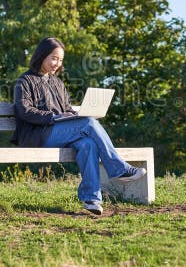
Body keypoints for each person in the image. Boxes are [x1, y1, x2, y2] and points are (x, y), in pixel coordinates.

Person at [11, 37, 147, 215]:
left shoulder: (57, 83)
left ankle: (91, 199)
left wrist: (72, 115)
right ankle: (119, 169)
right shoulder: (25, 81)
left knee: (88, 144)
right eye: (54, 58)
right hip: (38, 135)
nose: (57, 64)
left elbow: (66, 108)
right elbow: (24, 111)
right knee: (89, 123)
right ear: (42, 55)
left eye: (60, 60)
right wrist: (54, 117)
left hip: (60, 133)